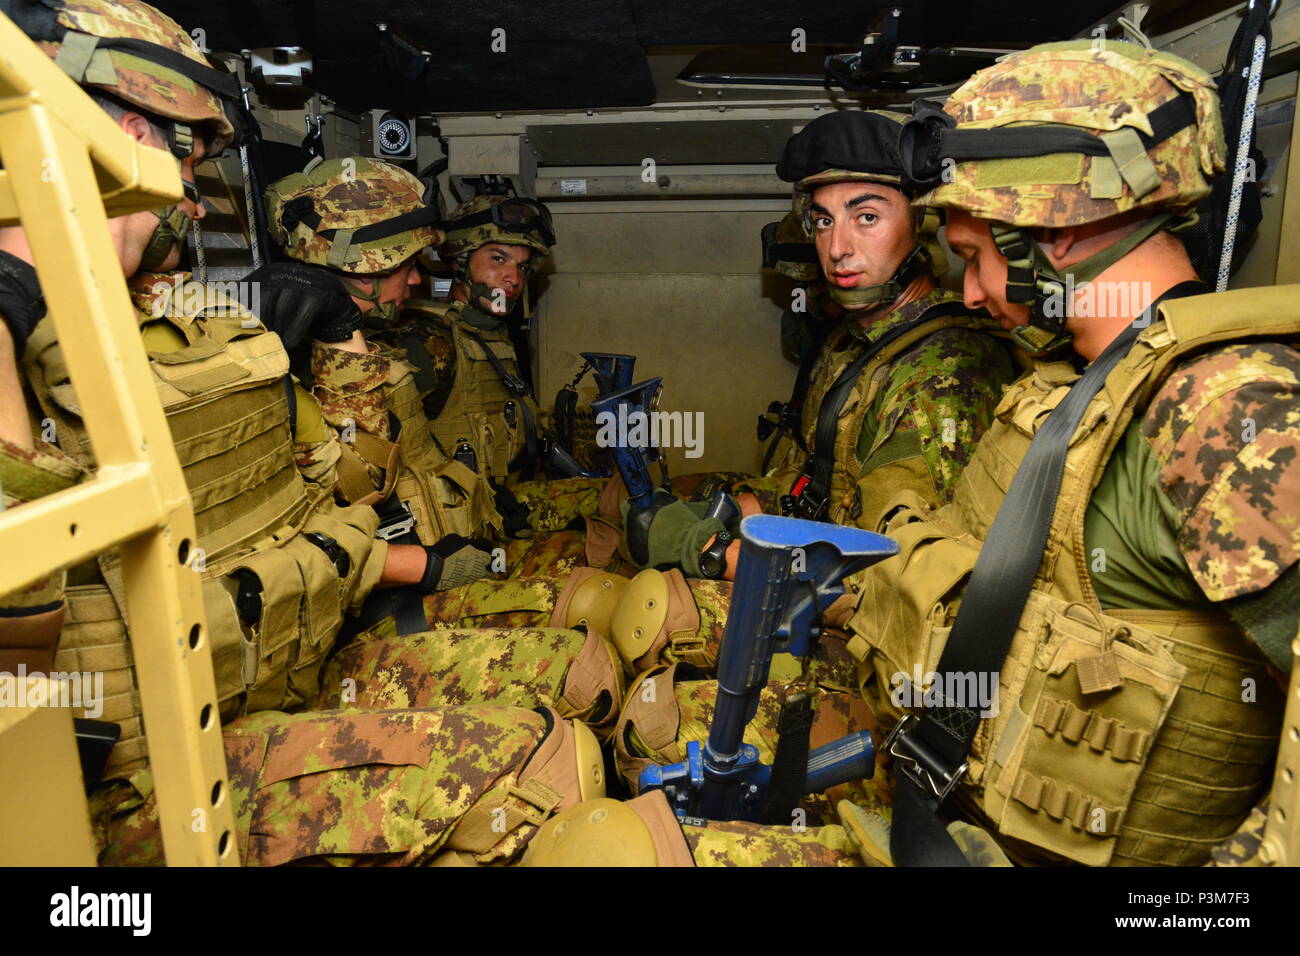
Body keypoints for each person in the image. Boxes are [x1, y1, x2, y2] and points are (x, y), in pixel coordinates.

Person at [0, 0, 612, 865]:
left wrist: (336, 348)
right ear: (124, 139)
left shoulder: (211, 332)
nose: (191, 202)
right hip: (130, 786)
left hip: (290, 672)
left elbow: (337, 499)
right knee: (549, 769)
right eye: (185, 161)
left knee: (581, 699)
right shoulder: (36, 338)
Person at [838, 36, 1297, 866]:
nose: (969, 290)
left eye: (975, 257)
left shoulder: (1229, 415)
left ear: (1057, 233)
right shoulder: (1074, 383)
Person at [612, 108, 1018, 803]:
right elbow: (818, 490)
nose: (837, 247)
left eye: (867, 217)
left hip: (886, 674)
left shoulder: (944, 373)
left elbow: (896, 592)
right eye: (824, 221)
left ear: (919, 224)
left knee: (649, 710)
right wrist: (739, 512)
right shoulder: (855, 343)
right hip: (840, 622)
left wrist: (719, 556)